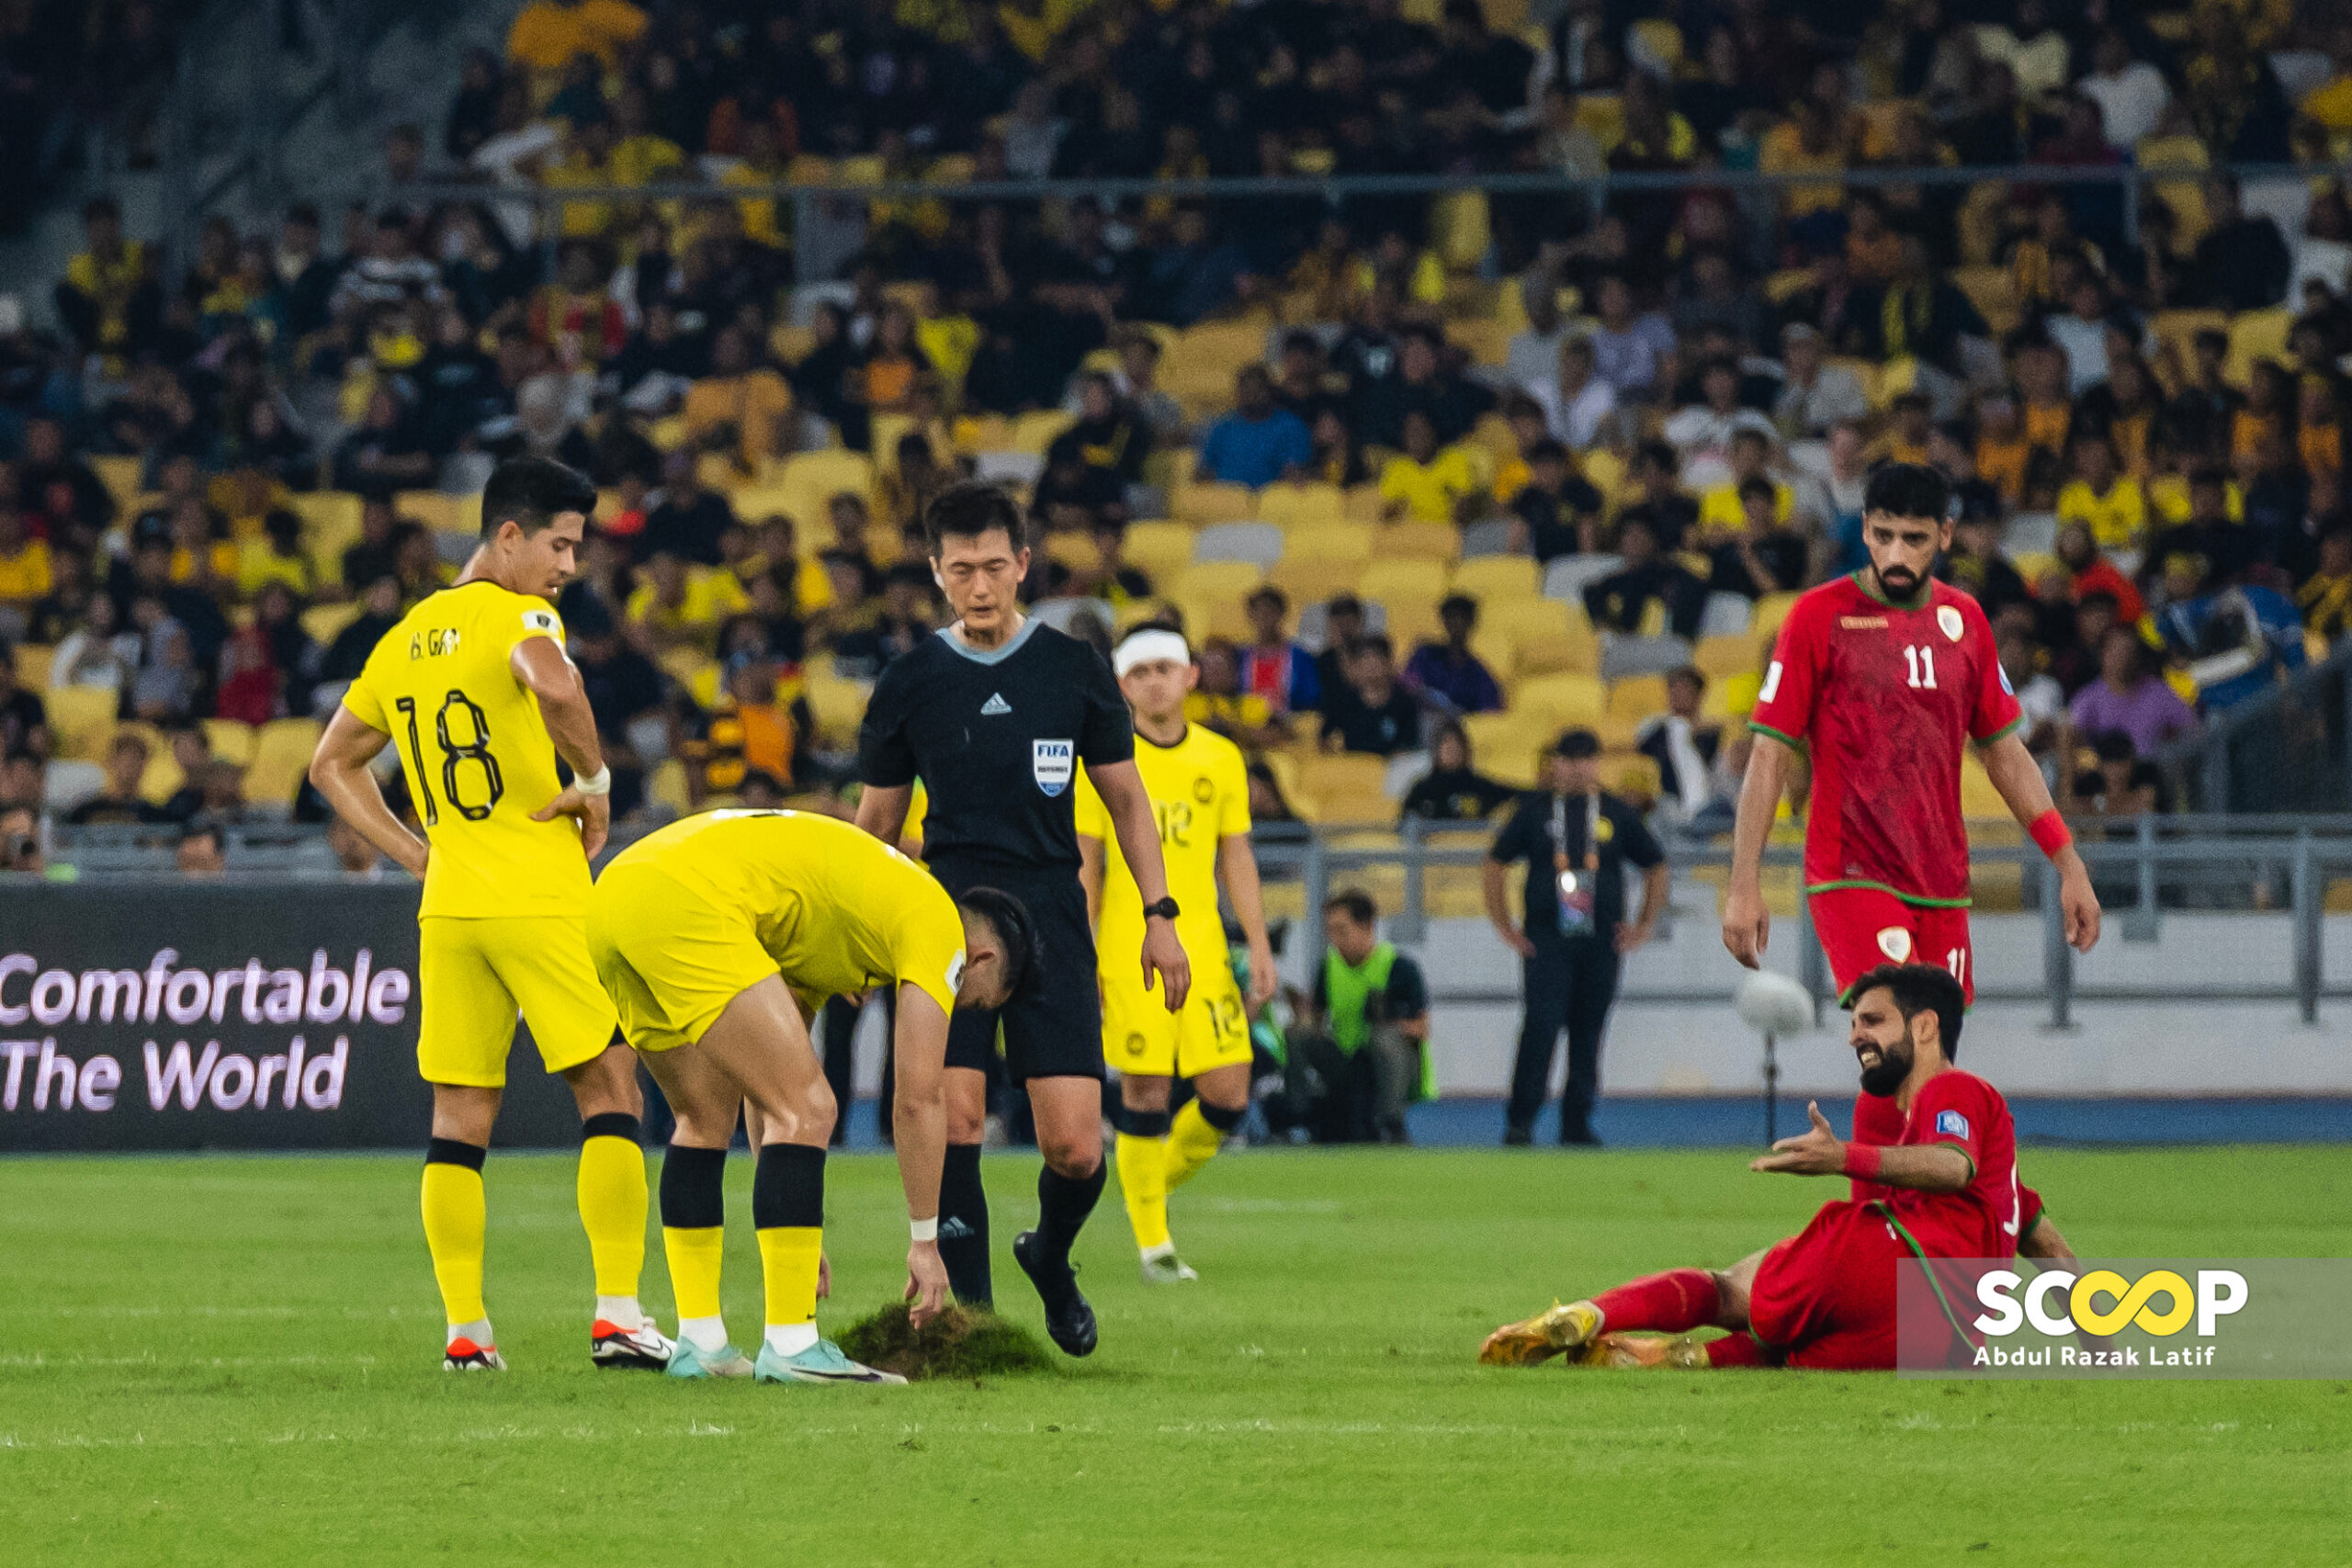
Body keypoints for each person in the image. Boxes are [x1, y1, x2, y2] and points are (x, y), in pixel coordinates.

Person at [305, 457, 668, 1374]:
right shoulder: (520, 617)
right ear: (507, 536)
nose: (569, 566)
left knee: (459, 1113)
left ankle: (467, 1333)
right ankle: (618, 1316)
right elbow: (555, 685)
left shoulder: (404, 638)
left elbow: (330, 767)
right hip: (537, 889)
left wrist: (412, 852)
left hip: (451, 904)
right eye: (559, 544)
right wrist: (592, 783)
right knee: (610, 1087)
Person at [853, 480, 1190, 1357]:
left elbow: (1127, 803)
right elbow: (878, 826)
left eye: (994, 566)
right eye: (960, 569)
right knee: (957, 1115)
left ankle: (1050, 1254)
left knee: (1076, 1148)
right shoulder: (910, 681)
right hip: (946, 916)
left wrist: (1161, 915)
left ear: (1024, 565)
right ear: (935, 573)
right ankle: (974, 1319)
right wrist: (850, 936)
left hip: (1052, 911)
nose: (979, 584)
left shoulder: (1073, 670)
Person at [587, 809, 1031, 1384]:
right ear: (982, 959)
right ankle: (794, 1345)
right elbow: (918, 1100)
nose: (957, 1008)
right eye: (971, 1002)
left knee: (701, 1116)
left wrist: (792, 1237)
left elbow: (767, 1091)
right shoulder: (939, 925)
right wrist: (926, 1243)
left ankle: (701, 1343)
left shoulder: (842, 923)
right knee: (814, 1106)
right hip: (686, 899)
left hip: (617, 895)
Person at [1480, 964, 2077, 1371]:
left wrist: (1843, 1155)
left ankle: (1584, 1313)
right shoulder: (1997, 1171)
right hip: (1942, 1339)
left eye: (1872, 1020)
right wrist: (2101, 1338)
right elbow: (2045, 1241)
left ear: (1925, 1026)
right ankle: (1662, 1356)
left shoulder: (1954, 1088)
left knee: (1725, 1288)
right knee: (1783, 1350)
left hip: (1897, 1263)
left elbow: (1951, 1165)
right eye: (1853, 1023)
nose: (1855, 1036)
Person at [1724, 464, 2102, 1003]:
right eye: (1883, 536)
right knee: (1898, 1032)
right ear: (1864, 530)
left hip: (1942, 879)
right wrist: (1743, 884)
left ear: (1945, 535)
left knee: (1931, 1062)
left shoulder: (1967, 621)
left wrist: (2069, 864)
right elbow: (1768, 756)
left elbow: (2006, 756)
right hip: (1851, 871)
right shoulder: (1816, 617)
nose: (1896, 554)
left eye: (1915, 539)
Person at [1074, 626, 1277, 1283]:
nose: (1154, 680)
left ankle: (1144, 1192)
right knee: (1145, 1090)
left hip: (1206, 950)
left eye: (1165, 667)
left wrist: (1260, 940)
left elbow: (1235, 854)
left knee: (1227, 1093)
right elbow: (1089, 863)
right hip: (1128, 951)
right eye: (1140, 671)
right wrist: (1083, 949)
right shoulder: (1102, 758)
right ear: (1123, 685)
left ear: (1191, 675)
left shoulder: (1220, 758)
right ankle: (1154, 1245)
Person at [1484, 729, 1667, 1146]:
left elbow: (1656, 865)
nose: (1576, 768)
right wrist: (1504, 924)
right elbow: (1495, 863)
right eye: (1567, 759)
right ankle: (1521, 1119)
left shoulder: (1616, 813)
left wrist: (1642, 925)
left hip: (1602, 938)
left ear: (1597, 763)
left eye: (1586, 759)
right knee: (1541, 1025)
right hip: (1547, 937)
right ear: (1554, 764)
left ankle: (1577, 1121)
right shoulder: (1533, 810)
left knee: (1589, 1030)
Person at [1285, 890, 1430, 1144]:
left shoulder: (1400, 967)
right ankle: (1299, 1115)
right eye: (1330, 931)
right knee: (1296, 1031)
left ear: (1367, 926)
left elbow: (1422, 1028)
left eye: (1342, 930)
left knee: (1384, 1038)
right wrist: (1303, 1017)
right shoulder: (1328, 967)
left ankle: (1391, 1123)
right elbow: (1317, 1021)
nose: (1335, 939)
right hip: (1345, 1058)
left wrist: (1391, 1023)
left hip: (1383, 1063)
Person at [2065, 626, 2198, 759]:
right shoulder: (2088, 698)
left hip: (2154, 768)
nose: (2123, 657)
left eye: (2128, 650)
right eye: (2116, 651)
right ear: (2102, 655)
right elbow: (2072, 736)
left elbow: (2190, 728)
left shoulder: (2158, 691)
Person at [1319, 633, 1423, 755]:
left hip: (1392, 769)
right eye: (1365, 660)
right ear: (1357, 666)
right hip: (1353, 767)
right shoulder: (1344, 701)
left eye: (1376, 659)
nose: (1371, 666)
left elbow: (1409, 745)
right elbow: (1324, 738)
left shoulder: (1405, 703)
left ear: (1389, 663)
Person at [1401, 595, 1504, 716]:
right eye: (1452, 617)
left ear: (1472, 623)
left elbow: (1489, 716)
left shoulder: (1481, 677)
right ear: (1444, 621)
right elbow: (1406, 687)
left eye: (1462, 618)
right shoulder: (1425, 654)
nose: (1457, 624)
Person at [1402, 720, 1516, 823]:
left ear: (1465, 750)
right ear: (1436, 751)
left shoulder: (1482, 787)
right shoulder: (1421, 791)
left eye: (1456, 743)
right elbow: (1405, 825)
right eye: (1445, 743)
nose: (1451, 749)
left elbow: (1515, 798)